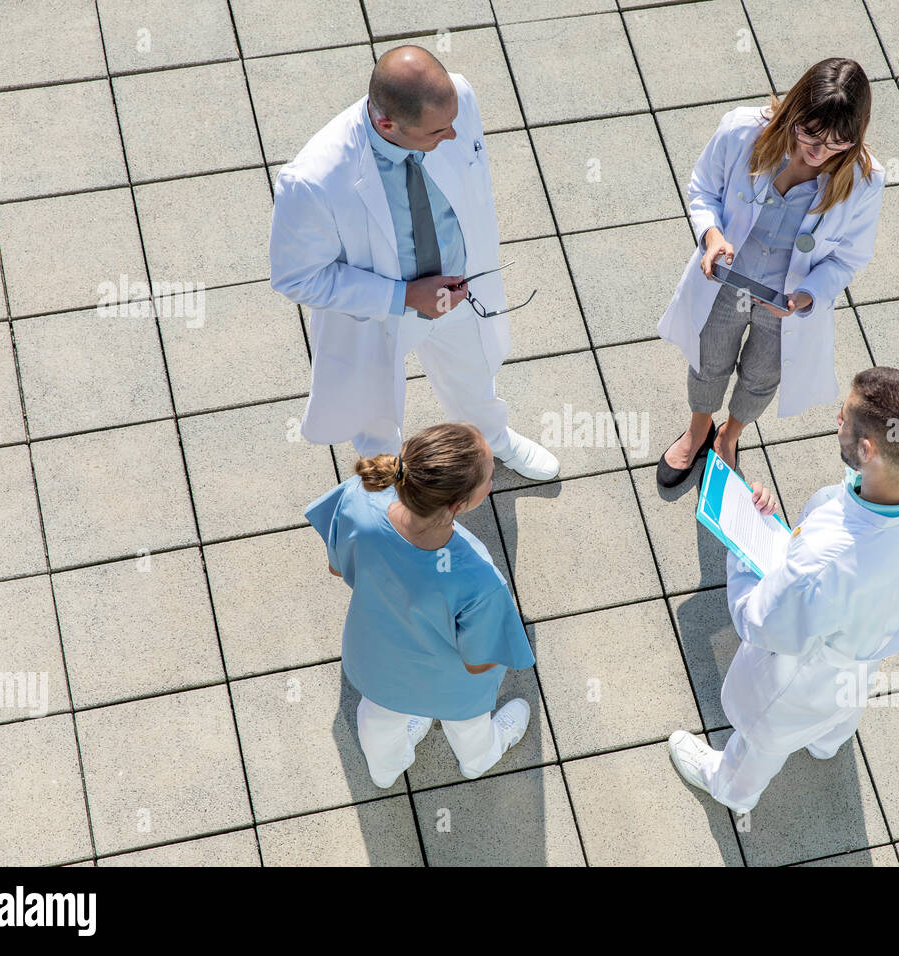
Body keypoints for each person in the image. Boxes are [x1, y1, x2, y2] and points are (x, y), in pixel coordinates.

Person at [668, 367, 899, 814]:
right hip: (873, 645)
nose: (836, 421)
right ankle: (828, 742)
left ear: (867, 448)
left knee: (766, 735)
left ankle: (731, 789)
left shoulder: (824, 559)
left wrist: (746, 541)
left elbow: (756, 620)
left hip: (806, 672)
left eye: (842, 418)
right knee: (844, 707)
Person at [271, 45, 558, 480]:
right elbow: (297, 277)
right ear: (387, 124)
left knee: (472, 376)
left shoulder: (454, 100)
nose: (454, 137)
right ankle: (383, 483)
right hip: (378, 316)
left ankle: (492, 439)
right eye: (437, 133)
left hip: (458, 292)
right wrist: (403, 296)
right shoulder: (313, 180)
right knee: (374, 413)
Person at [656, 57, 885, 487]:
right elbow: (702, 188)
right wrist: (712, 235)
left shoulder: (865, 181)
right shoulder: (742, 129)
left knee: (763, 376)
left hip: (784, 303)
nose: (817, 153)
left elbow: (849, 258)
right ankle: (699, 429)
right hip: (725, 280)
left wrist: (808, 296)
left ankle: (730, 435)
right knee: (708, 361)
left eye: (835, 144)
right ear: (794, 109)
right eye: (808, 133)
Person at [305, 422, 535, 787]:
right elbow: (479, 664)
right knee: (469, 727)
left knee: (378, 720)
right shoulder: (479, 576)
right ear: (461, 504)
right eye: (489, 478)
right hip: (450, 686)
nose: (492, 484)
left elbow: (338, 568)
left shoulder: (360, 495)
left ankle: (385, 771)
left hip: (376, 663)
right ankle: (478, 760)